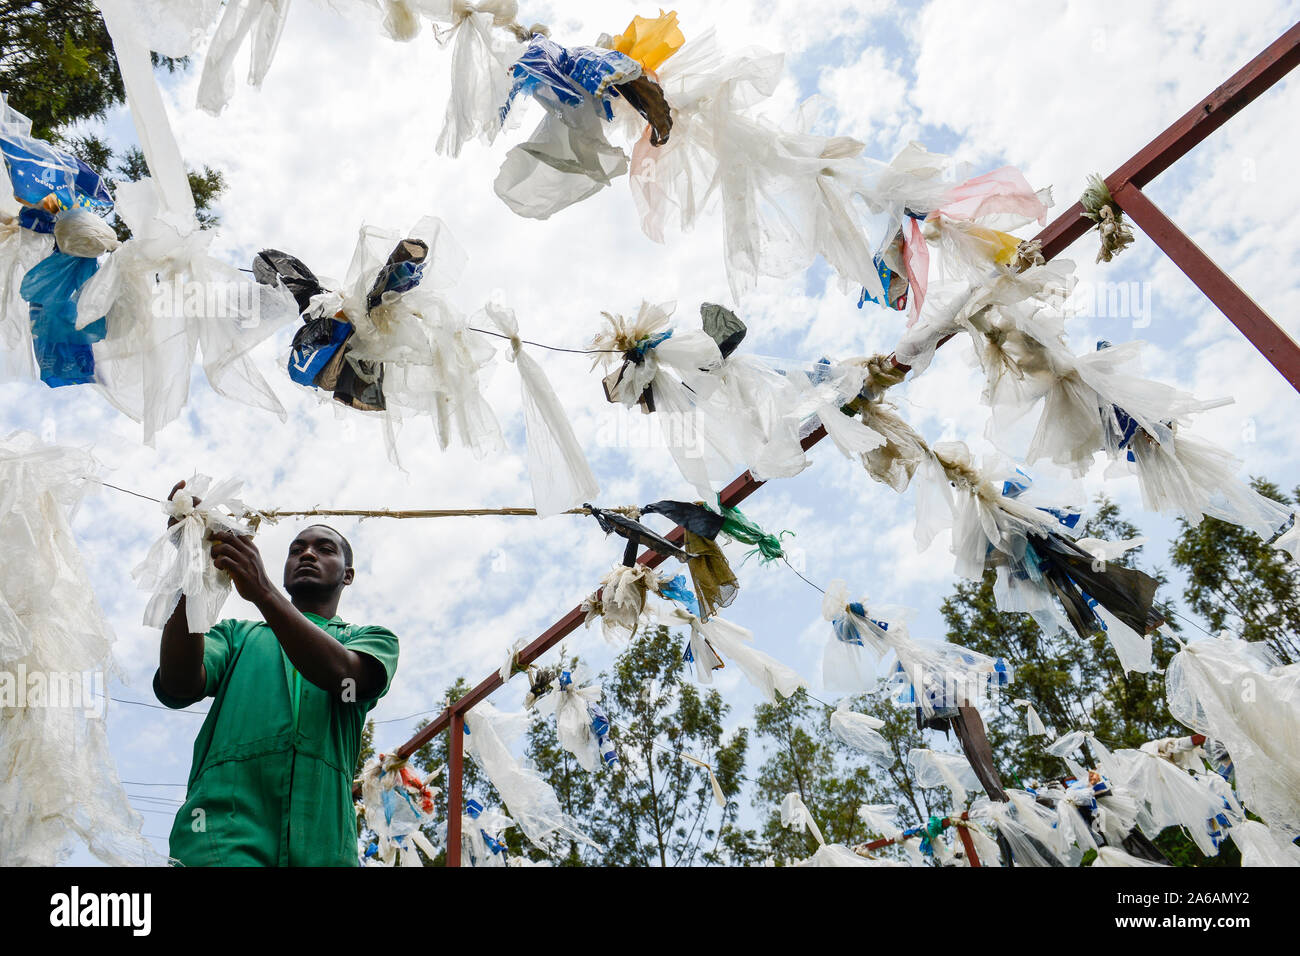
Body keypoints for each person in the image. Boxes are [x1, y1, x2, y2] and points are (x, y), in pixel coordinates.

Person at [153, 480, 399, 866]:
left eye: (324, 548)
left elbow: (345, 676)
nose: (307, 554)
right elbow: (178, 683)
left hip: (322, 848)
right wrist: (193, 564)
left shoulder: (370, 640)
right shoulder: (238, 637)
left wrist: (264, 592)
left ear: (347, 575)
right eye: (296, 549)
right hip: (219, 841)